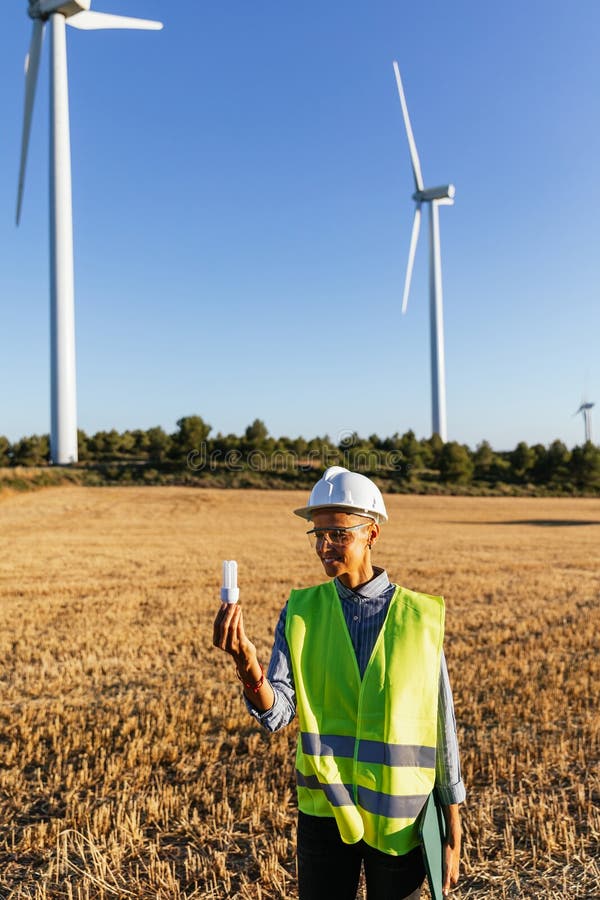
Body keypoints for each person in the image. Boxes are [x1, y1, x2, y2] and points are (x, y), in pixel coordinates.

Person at [213, 466, 465, 900]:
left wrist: (453, 825)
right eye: (318, 534)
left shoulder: (420, 618)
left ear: (372, 534)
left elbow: (442, 726)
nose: (324, 546)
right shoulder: (301, 611)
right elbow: (277, 714)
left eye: (339, 535)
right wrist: (245, 663)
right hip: (325, 813)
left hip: (400, 819)